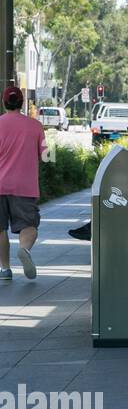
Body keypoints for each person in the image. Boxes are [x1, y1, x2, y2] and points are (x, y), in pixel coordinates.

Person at [0, 86, 45, 280]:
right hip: (25, 187)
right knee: (30, 226)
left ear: (4, 102)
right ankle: (24, 249)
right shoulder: (35, 126)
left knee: (0, 229)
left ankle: (4, 269)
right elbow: (45, 155)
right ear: (22, 103)